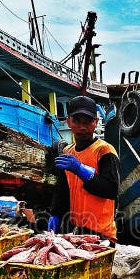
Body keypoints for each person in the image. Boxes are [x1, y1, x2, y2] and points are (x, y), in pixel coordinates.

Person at [48, 95, 119, 242]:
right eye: (77, 121)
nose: (82, 127)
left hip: (101, 234)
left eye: (88, 122)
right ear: (68, 122)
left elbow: (111, 190)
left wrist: (81, 170)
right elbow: (62, 190)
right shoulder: (67, 152)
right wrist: (55, 215)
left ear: (96, 122)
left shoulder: (104, 150)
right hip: (76, 232)